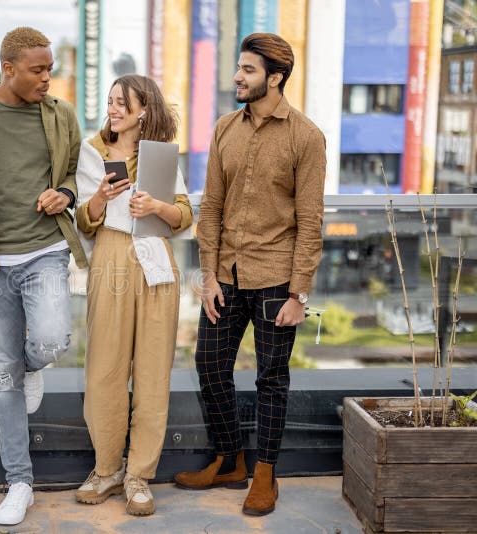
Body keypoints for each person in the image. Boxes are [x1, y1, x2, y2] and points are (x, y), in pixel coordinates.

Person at [173, 33, 325, 516]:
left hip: (278, 278)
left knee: (271, 379)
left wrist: (299, 292)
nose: (237, 77)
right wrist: (209, 276)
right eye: (238, 68)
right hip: (227, 275)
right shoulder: (224, 128)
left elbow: (311, 221)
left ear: (275, 78)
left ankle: (265, 475)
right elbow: (212, 206)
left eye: (248, 70)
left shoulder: (306, 136)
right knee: (209, 364)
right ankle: (228, 459)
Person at [0, 27, 86, 526]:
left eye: (50, 69)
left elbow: (73, 175)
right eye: (38, 70)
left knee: (50, 342)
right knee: (2, 366)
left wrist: (64, 195)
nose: (48, 78)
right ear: (9, 69)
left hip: (46, 250)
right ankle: (19, 481)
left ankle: (33, 367)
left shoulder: (61, 114)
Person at [74, 74, 193, 516]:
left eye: (123, 102)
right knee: (103, 368)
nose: (115, 109)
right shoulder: (91, 152)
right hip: (110, 256)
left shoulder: (160, 156)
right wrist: (101, 199)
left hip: (156, 261)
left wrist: (156, 207)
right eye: (111, 101)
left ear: (144, 109)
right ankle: (106, 469)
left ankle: (139, 475)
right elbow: (83, 220)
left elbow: (183, 215)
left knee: (152, 374)